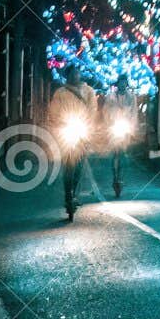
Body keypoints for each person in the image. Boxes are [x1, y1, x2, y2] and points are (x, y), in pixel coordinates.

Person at [46, 65, 98, 219]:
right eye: (73, 73)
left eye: (78, 73)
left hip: (82, 132)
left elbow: (93, 110)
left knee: (80, 166)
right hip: (66, 131)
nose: (76, 76)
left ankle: (74, 193)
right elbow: (54, 112)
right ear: (68, 76)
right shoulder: (60, 93)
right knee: (68, 167)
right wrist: (59, 124)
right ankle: (68, 195)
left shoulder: (88, 91)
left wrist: (89, 124)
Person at [103, 72, 137, 198]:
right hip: (114, 127)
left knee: (123, 154)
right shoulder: (110, 97)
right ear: (118, 84)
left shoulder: (132, 97)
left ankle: (121, 177)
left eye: (124, 83)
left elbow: (134, 113)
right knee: (115, 154)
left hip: (126, 128)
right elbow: (105, 111)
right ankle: (115, 176)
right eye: (120, 82)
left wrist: (132, 127)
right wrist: (109, 123)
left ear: (126, 84)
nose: (122, 85)